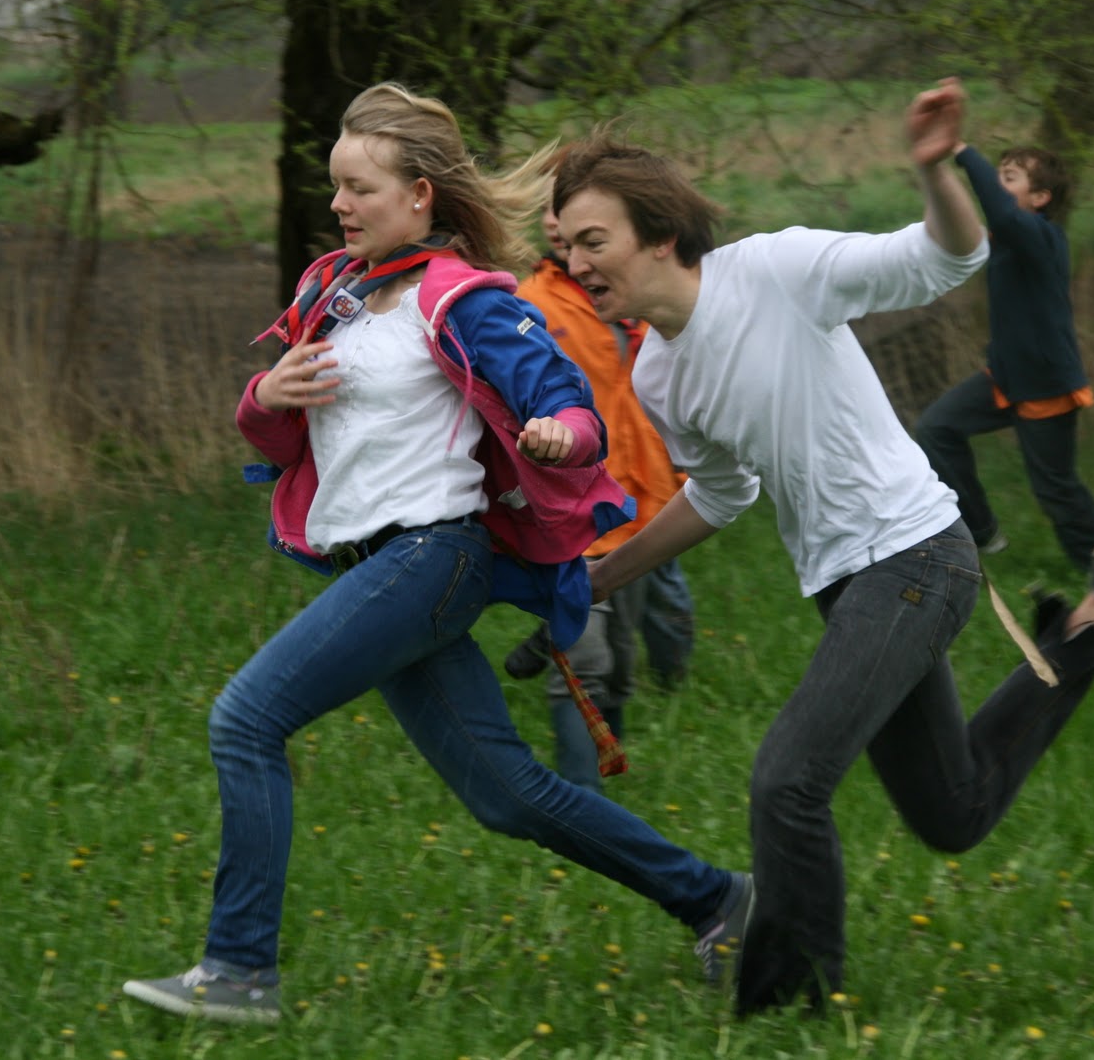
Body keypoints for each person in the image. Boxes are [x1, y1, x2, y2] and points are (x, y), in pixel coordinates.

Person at [550, 78, 1094, 1017]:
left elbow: (944, 256)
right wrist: (597, 577)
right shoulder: (658, 370)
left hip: (914, 557)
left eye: (594, 241)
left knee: (787, 780)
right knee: (952, 811)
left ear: (660, 235)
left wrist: (937, 169)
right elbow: (722, 491)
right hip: (847, 583)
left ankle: (790, 1008)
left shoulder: (778, 271)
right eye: (566, 247)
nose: (578, 264)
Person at [120, 82, 753, 1026]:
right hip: (371, 563)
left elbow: (573, 406)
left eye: (360, 188)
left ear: (420, 195)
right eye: (335, 187)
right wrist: (267, 393)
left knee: (246, 720)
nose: (339, 205)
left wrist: (557, 439)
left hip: (431, 556)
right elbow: (273, 431)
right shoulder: (331, 292)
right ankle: (719, 899)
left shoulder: (464, 300)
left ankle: (239, 968)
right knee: (504, 791)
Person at [504, 198, 697, 792]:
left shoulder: (634, 297)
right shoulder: (529, 304)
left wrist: (682, 476)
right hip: (568, 510)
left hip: (639, 507)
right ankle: (579, 803)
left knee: (617, 660)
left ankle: (608, 778)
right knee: (585, 664)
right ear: (550, 224)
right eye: (559, 214)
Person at [914, 140, 1094, 569]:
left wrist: (963, 151)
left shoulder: (1042, 236)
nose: (998, 184)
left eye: (1009, 178)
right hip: (1004, 377)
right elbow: (968, 231)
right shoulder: (1009, 239)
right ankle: (983, 531)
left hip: (1044, 383)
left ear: (1039, 198)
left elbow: (1002, 213)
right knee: (936, 428)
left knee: (1055, 489)